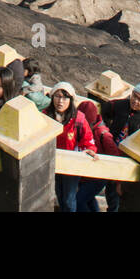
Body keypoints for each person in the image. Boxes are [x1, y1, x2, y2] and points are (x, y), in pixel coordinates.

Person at [48, 82, 96, 210]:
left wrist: (90, 150)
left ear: (71, 100)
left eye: (65, 97)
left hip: (72, 164)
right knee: (59, 195)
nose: (60, 101)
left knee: (69, 199)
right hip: (53, 162)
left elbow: (88, 139)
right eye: (57, 96)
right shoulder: (45, 115)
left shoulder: (78, 119)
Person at [75, 100, 122, 212]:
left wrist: (118, 182)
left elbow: (115, 156)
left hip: (98, 176)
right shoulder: (84, 128)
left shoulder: (103, 135)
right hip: (86, 176)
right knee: (89, 200)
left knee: (78, 201)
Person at [102, 77, 140, 144]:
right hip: (111, 144)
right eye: (134, 96)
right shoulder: (120, 104)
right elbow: (104, 111)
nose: (135, 101)